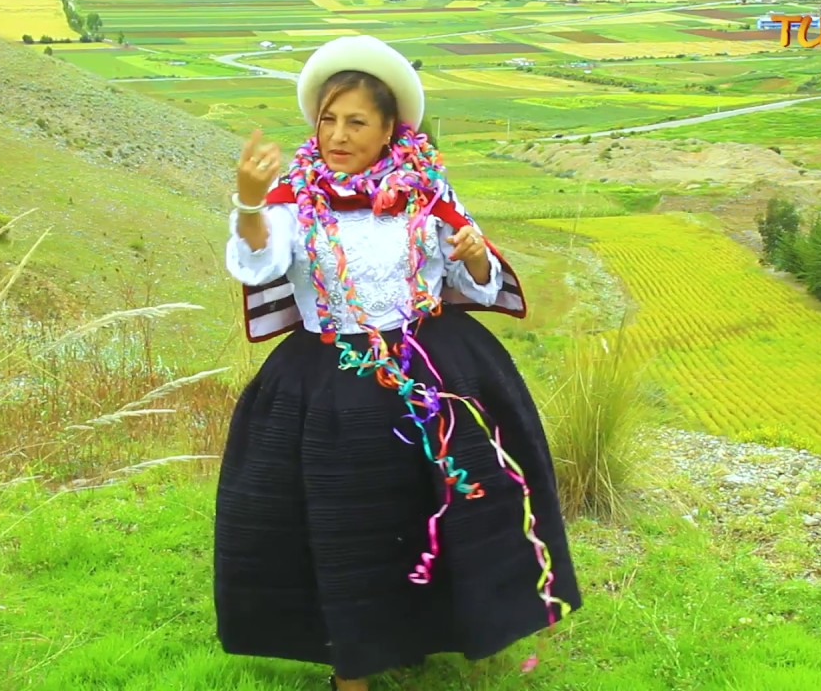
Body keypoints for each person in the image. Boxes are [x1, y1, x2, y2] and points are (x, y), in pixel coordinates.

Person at [214, 35, 581, 691]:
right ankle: (350, 668)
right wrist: (248, 201)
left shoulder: (426, 194)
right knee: (342, 523)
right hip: (329, 379)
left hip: (431, 370)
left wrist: (473, 254)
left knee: (433, 509)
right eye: (329, 119)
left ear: (390, 131)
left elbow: (476, 270)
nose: (338, 134)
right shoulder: (294, 202)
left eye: (356, 121)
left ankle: (435, 628)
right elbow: (258, 262)